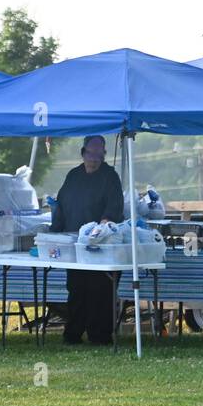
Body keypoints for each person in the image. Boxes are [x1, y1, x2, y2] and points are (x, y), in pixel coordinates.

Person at [51, 135, 125, 344]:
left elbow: (114, 207)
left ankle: (99, 335)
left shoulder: (110, 176)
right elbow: (62, 204)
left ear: (104, 154)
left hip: (101, 245)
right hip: (75, 243)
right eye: (91, 152)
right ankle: (73, 333)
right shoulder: (73, 175)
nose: (95, 157)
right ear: (83, 153)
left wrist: (100, 230)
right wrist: (55, 228)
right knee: (76, 289)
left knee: (100, 291)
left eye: (99, 153)